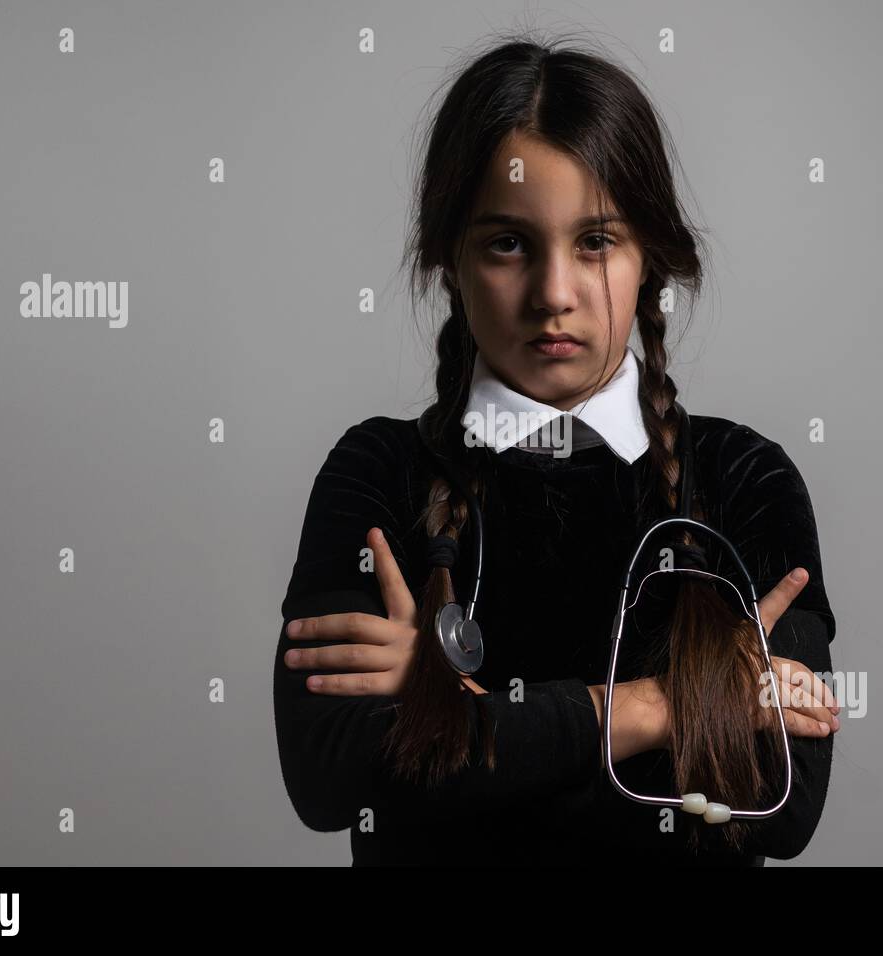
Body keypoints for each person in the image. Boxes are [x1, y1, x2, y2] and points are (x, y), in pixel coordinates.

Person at [272, 35, 839, 866]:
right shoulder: (379, 472)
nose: (554, 295)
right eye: (508, 243)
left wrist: (464, 721)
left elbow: (782, 811)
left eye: (596, 241)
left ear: (651, 256)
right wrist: (667, 706)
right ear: (448, 258)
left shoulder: (741, 478)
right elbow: (327, 783)